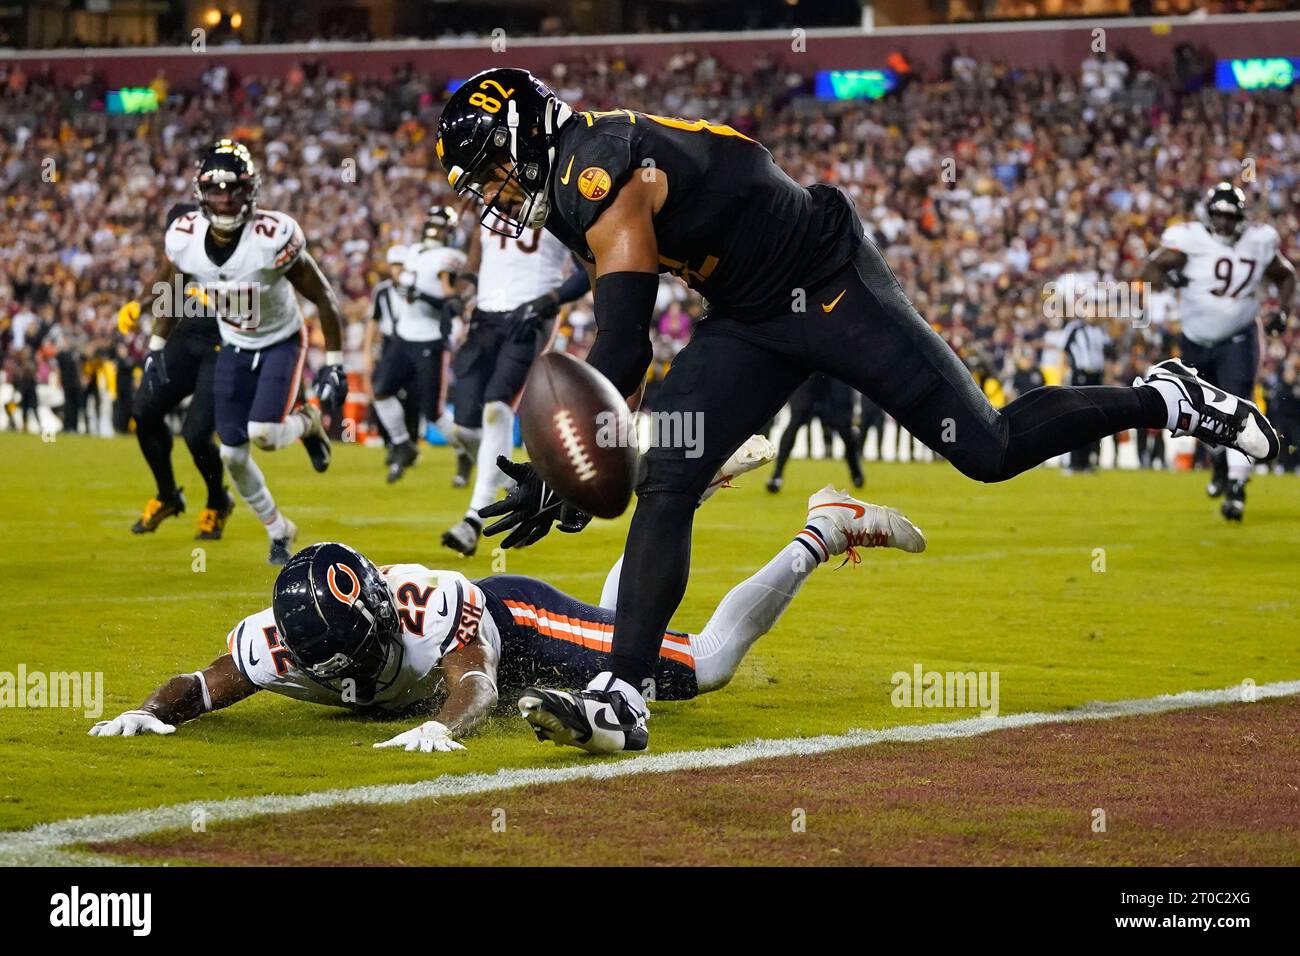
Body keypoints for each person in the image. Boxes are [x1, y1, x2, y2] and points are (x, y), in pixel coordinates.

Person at [436, 69, 1281, 753]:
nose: (495, 194)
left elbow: (622, 350)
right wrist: (575, 465)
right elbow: (619, 348)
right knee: (668, 482)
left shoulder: (597, 169)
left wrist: (562, 467)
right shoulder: (585, 169)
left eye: (492, 170)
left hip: (828, 282)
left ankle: (1165, 395)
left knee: (987, 449)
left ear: (526, 136)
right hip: (749, 316)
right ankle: (622, 695)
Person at [89, 476, 923, 754]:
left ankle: (826, 526)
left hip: (509, 620)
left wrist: (445, 726)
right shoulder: (281, 642)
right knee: (617, 617)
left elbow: (477, 686)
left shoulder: (429, 610)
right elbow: (200, 685)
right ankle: (677, 498)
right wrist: (148, 710)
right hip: (490, 642)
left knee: (700, 667)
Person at [119, 140, 347, 564]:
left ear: (250, 191)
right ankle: (279, 530)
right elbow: (172, 288)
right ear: (201, 193)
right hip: (236, 344)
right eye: (215, 189)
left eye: (233, 189)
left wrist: (334, 363)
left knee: (265, 434)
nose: (224, 199)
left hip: (280, 339)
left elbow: (325, 297)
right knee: (231, 453)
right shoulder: (185, 238)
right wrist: (154, 345)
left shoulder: (271, 237)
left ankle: (309, 421)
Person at [1142, 182, 1296, 520]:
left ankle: (1237, 489)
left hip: (1238, 335)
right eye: (1218, 216)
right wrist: (1170, 281)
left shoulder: (1259, 241)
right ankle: (1220, 467)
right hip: (1195, 337)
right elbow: (1150, 268)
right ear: (1208, 215)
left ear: (1240, 217)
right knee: (1200, 409)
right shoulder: (1189, 238)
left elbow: (1286, 275)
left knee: (1239, 402)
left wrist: (1282, 312)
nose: (1224, 223)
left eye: (1230, 216)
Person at [439, 220, 589, 556]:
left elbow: (587, 270)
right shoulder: (487, 208)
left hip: (529, 317)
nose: (488, 189)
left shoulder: (554, 205)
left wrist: (548, 300)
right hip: (484, 319)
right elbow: (474, 264)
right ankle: (510, 478)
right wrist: (459, 295)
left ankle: (471, 521)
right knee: (462, 426)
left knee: (496, 407)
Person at [118, 201, 233, 539]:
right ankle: (167, 494)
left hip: (223, 345)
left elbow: (256, 294)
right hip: (186, 338)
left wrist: (229, 301)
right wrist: (139, 305)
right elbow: (167, 278)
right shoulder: (181, 245)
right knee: (144, 410)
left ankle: (217, 502)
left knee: (196, 434)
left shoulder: (231, 245)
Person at [371, 206, 468, 484]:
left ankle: (463, 453)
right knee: (380, 391)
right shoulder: (413, 252)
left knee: (434, 413)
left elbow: (452, 304)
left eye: (440, 228)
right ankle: (403, 444)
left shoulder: (451, 258)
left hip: (430, 338)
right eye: (433, 227)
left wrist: (422, 297)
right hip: (403, 335)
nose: (435, 233)